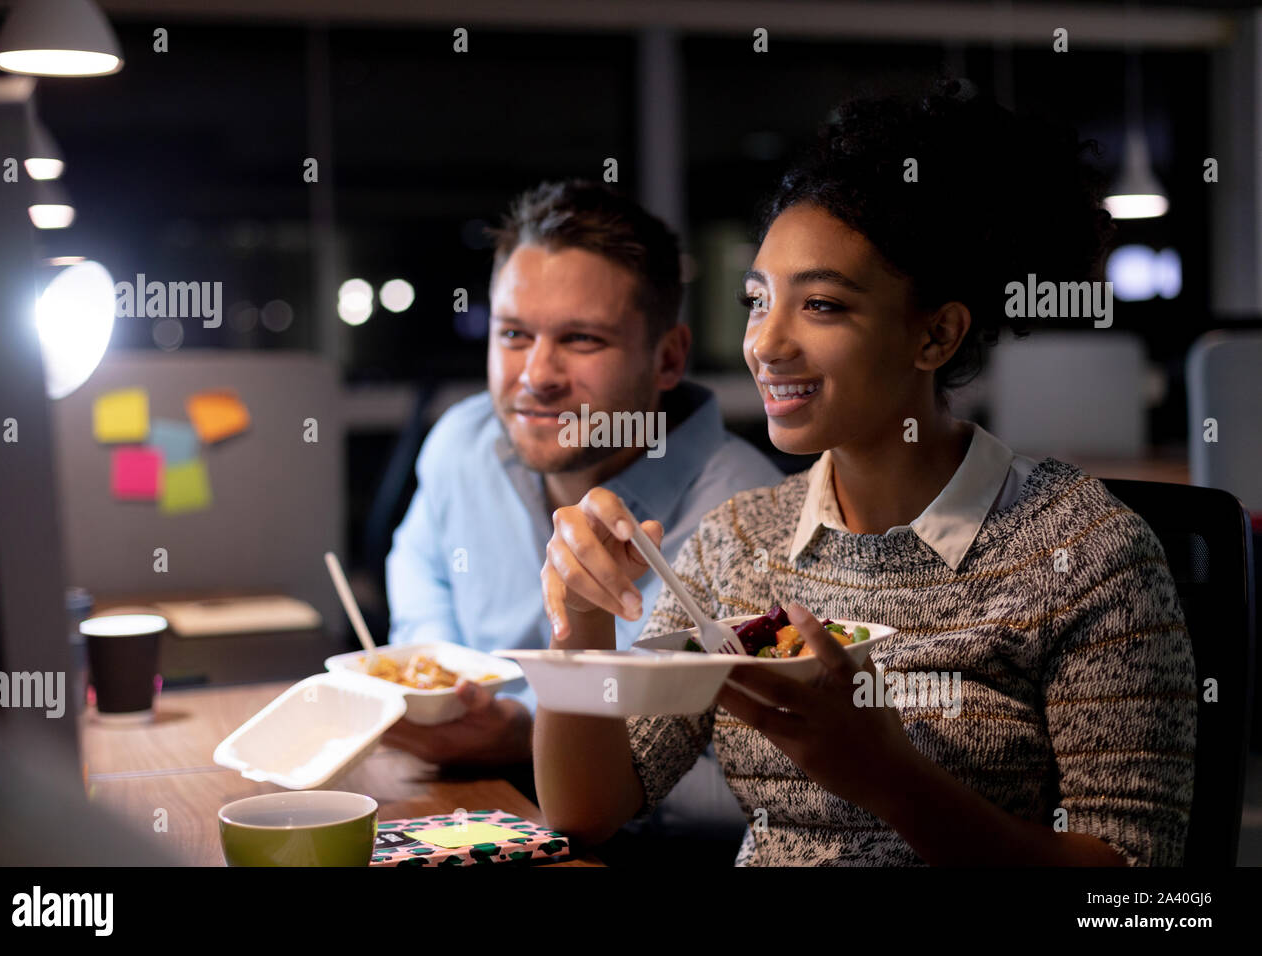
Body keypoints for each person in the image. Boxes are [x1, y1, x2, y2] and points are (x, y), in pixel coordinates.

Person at [534, 80, 1196, 866]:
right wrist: (581, 631)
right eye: (758, 300)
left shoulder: (1085, 556)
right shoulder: (738, 544)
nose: (767, 344)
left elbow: (1135, 887)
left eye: (821, 307)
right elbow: (591, 811)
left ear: (936, 335)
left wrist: (886, 777)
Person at [382, 179, 784, 846]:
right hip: (460, 819)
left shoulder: (749, 519)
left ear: (668, 358)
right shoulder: (463, 444)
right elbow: (416, 578)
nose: (537, 375)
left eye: (581, 340)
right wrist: (446, 698)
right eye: (513, 334)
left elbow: (759, 794)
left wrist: (530, 738)